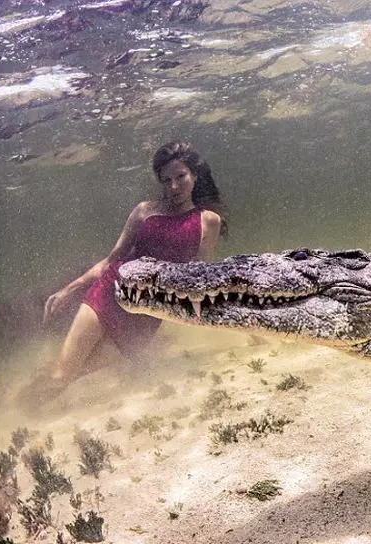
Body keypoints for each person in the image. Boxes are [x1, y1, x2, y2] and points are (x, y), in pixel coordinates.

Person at [33, 141, 226, 399]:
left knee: (77, 373)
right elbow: (111, 260)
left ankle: (29, 396)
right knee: (62, 377)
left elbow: (201, 277)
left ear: (195, 175)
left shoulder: (208, 221)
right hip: (110, 292)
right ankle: (16, 418)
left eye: (180, 177)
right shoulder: (145, 210)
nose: (174, 186)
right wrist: (68, 290)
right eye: (166, 180)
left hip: (147, 312)